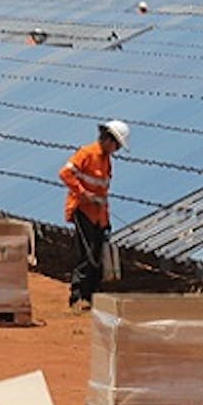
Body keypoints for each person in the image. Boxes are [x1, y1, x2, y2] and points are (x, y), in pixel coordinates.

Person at [60, 120, 129, 310]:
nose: (117, 150)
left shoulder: (107, 161)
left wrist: (106, 221)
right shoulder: (86, 153)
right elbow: (65, 173)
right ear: (109, 139)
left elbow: (103, 192)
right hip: (83, 211)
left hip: (99, 216)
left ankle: (92, 297)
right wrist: (84, 194)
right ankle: (77, 297)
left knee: (97, 258)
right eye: (117, 145)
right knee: (86, 256)